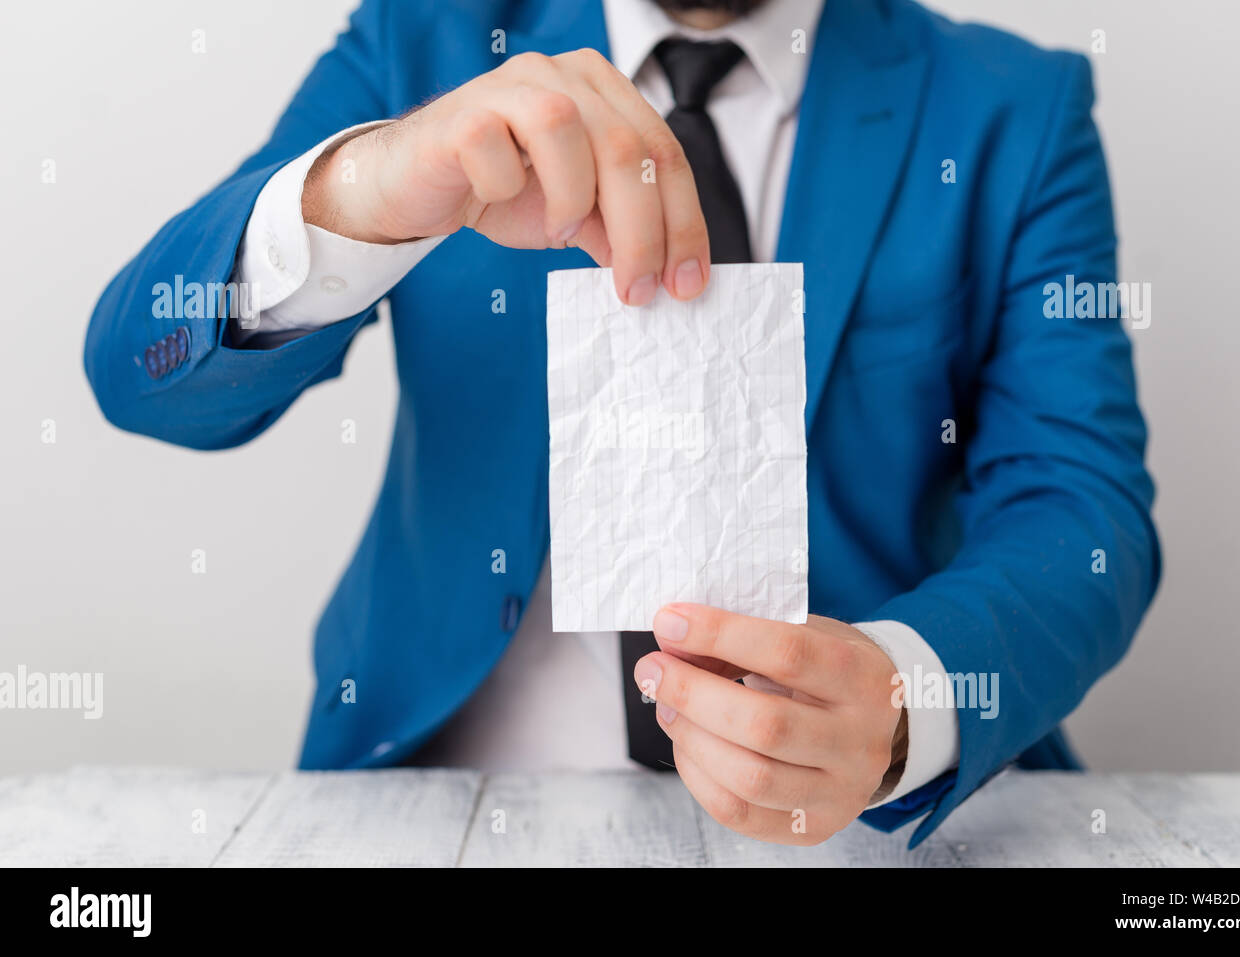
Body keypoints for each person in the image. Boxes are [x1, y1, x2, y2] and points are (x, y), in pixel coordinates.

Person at [84, 0, 1160, 847]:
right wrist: (372, 186)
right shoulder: (423, 39)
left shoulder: (1010, 107)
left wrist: (907, 694)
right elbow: (136, 371)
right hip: (441, 798)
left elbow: (1082, 504)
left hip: (875, 822)